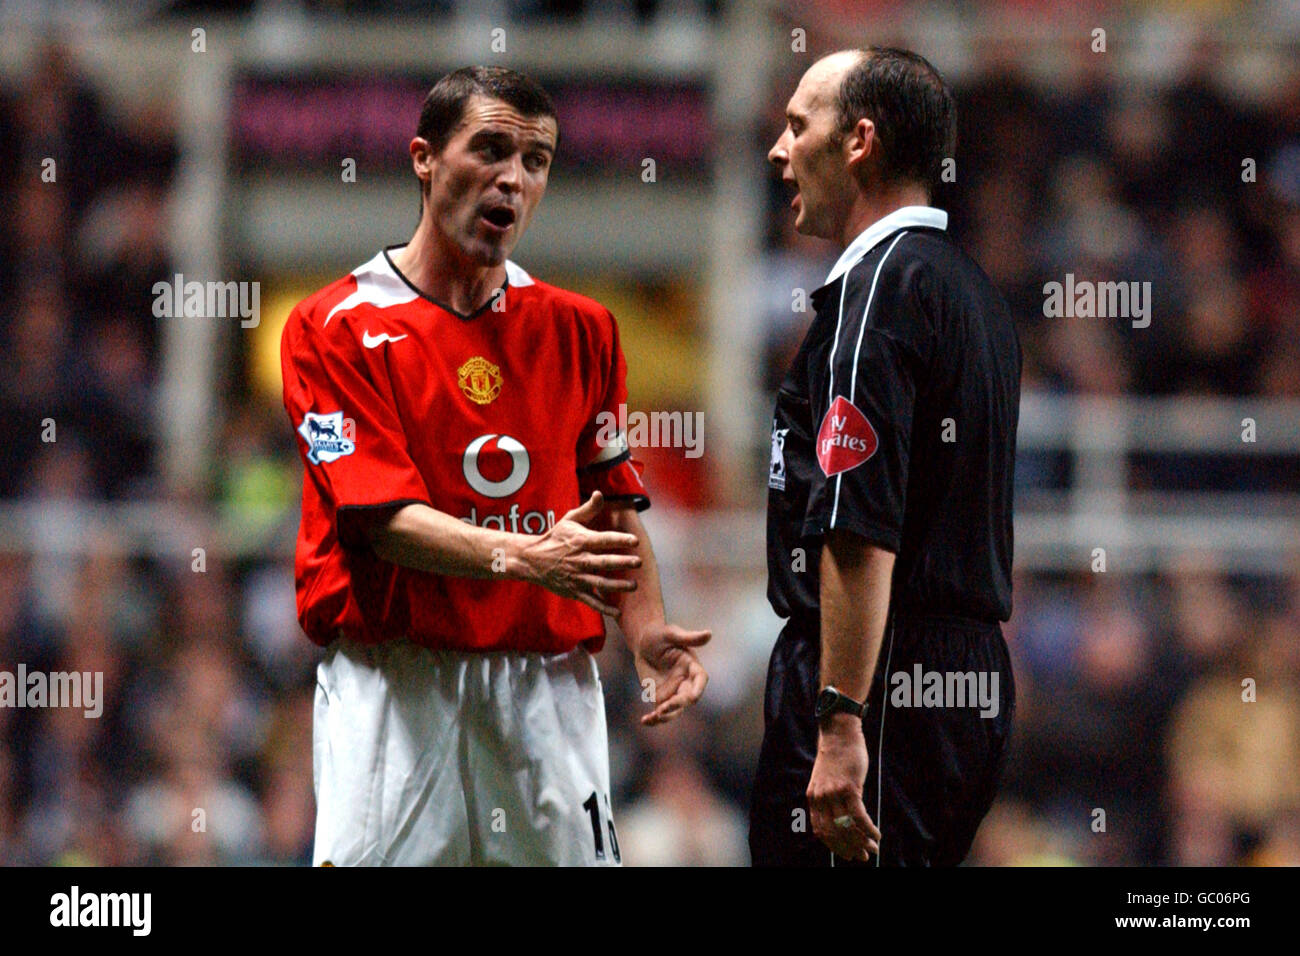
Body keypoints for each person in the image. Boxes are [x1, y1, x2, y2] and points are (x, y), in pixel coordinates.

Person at [280, 66, 710, 866]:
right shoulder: (334, 327)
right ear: (424, 159)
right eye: (490, 149)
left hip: (545, 688)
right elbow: (378, 522)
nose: (514, 177)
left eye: (537, 160)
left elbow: (613, 502)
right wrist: (528, 556)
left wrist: (647, 627)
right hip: (396, 684)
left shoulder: (582, 329)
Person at [749, 48, 1021, 866]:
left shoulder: (878, 292)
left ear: (858, 141)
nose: (778, 149)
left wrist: (839, 722)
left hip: (878, 682)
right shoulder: (969, 290)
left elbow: (859, 524)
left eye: (799, 126)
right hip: (952, 678)